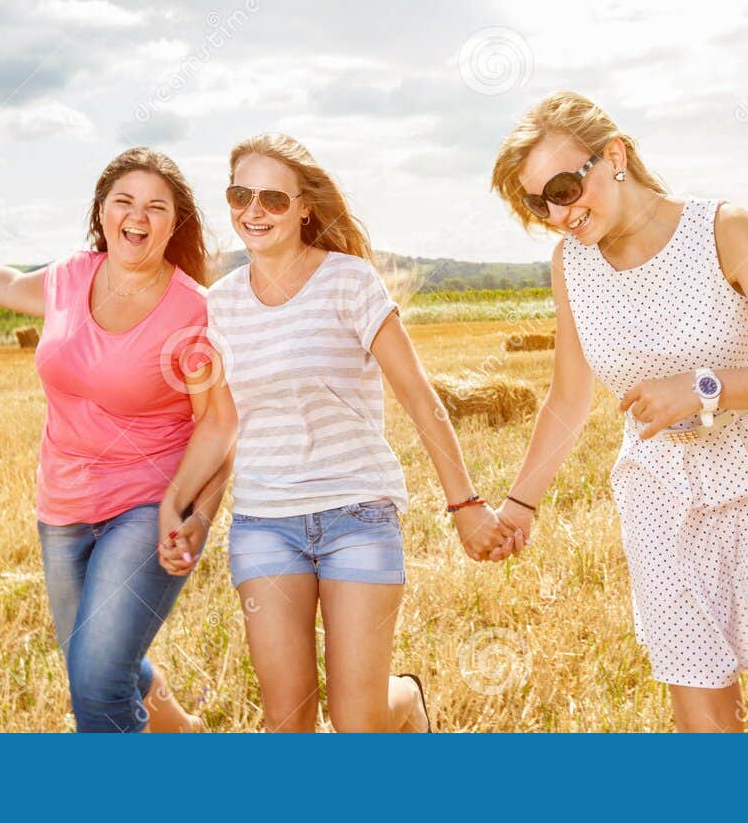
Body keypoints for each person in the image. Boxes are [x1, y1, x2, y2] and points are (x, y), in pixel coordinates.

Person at [487, 92, 748, 731]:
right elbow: (567, 396)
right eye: (538, 202)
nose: (558, 213)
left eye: (562, 187)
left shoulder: (723, 230)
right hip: (665, 501)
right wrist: (520, 505)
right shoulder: (570, 264)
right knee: (705, 730)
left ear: (613, 157)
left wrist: (703, 388)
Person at [157, 132, 515, 732]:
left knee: (358, 728)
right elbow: (220, 430)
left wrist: (466, 503)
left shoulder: (349, 282)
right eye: (240, 195)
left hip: (358, 515)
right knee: (288, 725)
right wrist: (198, 514)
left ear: (304, 207)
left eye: (273, 198)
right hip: (264, 525)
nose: (254, 211)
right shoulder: (218, 307)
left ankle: (403, 701)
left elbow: (419, 399)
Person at [0, 146, 234, 733]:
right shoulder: (70, 277)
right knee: (93, 661)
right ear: (103, 212)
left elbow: (217, 426)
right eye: (124, 201)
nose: (137, 216)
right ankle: (183, 735)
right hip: (61, 506)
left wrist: (201, 514)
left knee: (96, 686)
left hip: (149, 503)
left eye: (155, 207)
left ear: (174, 223)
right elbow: (9, 284)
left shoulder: (194, 313)